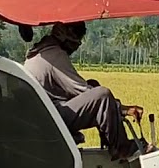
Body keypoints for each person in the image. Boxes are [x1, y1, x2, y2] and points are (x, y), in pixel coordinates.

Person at [23, 21, 151, 160]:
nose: (78, 44)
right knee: (102, 95)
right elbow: (81, 89)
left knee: (93, 85)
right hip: (50, 118)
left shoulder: (41, 52)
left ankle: (108, 140)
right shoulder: (55, 55)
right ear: (65, 35)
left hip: (45, 113)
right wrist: (123, 109)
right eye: (77, 37)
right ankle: (121, 147)